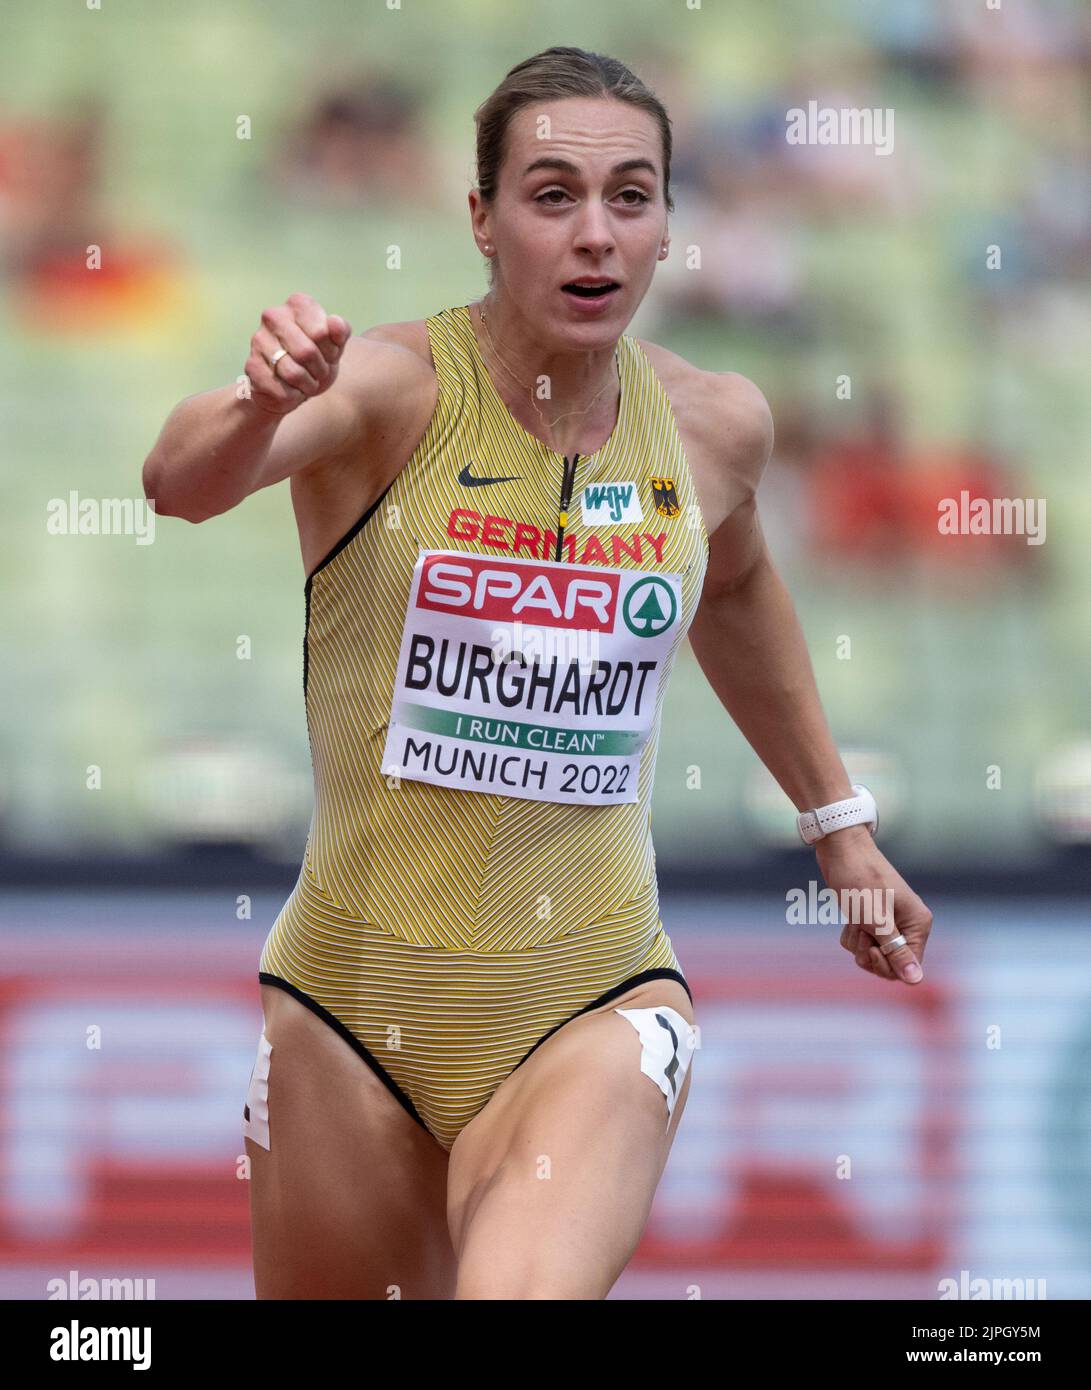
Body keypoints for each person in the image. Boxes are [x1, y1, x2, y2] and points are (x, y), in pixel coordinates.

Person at [142, 46, 933, 1301]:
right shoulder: (387, 390)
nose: (595, 234)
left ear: (667, 225)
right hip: (346, 1007)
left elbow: (733, 588)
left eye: (630, 197)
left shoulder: (712, 426)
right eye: (552, 195)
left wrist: (838, 826)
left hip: (591, 995)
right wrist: (256, 399)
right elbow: (177, 484)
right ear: (481, 218)